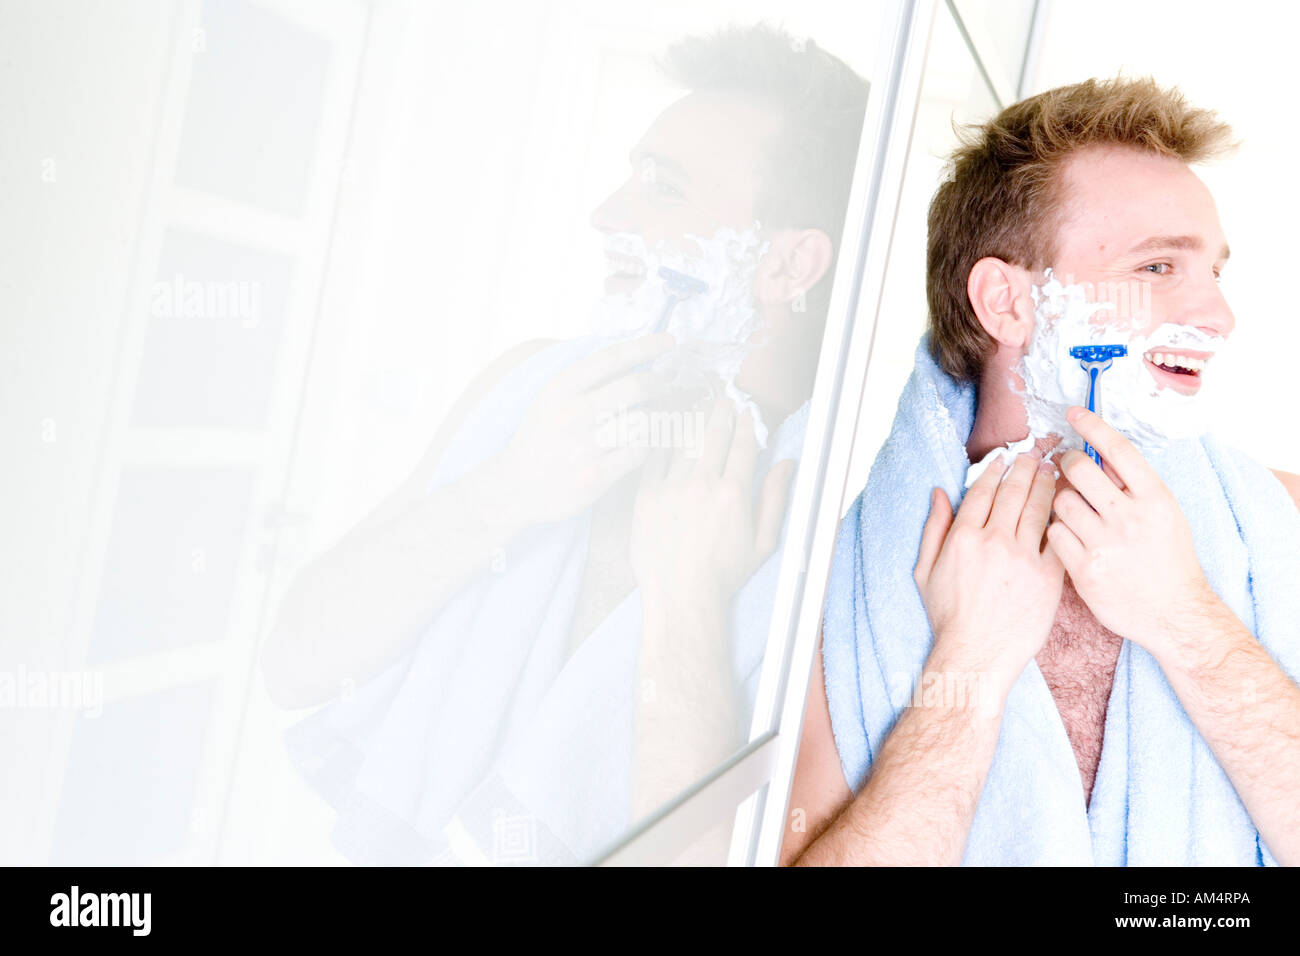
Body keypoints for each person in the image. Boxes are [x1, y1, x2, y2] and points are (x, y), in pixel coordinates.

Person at [260, 23, 870, 864]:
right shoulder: (527, 393)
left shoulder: (835, 532)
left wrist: (688, 598)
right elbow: (295, 663)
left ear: (789, 267)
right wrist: (505, 492)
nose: (605, 214)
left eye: (662, 188)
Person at [783, 77, 1300, 866]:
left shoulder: (1282, 521)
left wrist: (1186, 619)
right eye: (1160, 267)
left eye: (1214, 273)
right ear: (1009, 304)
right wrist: (970, 663)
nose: (1217, 316)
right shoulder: (841, 580)